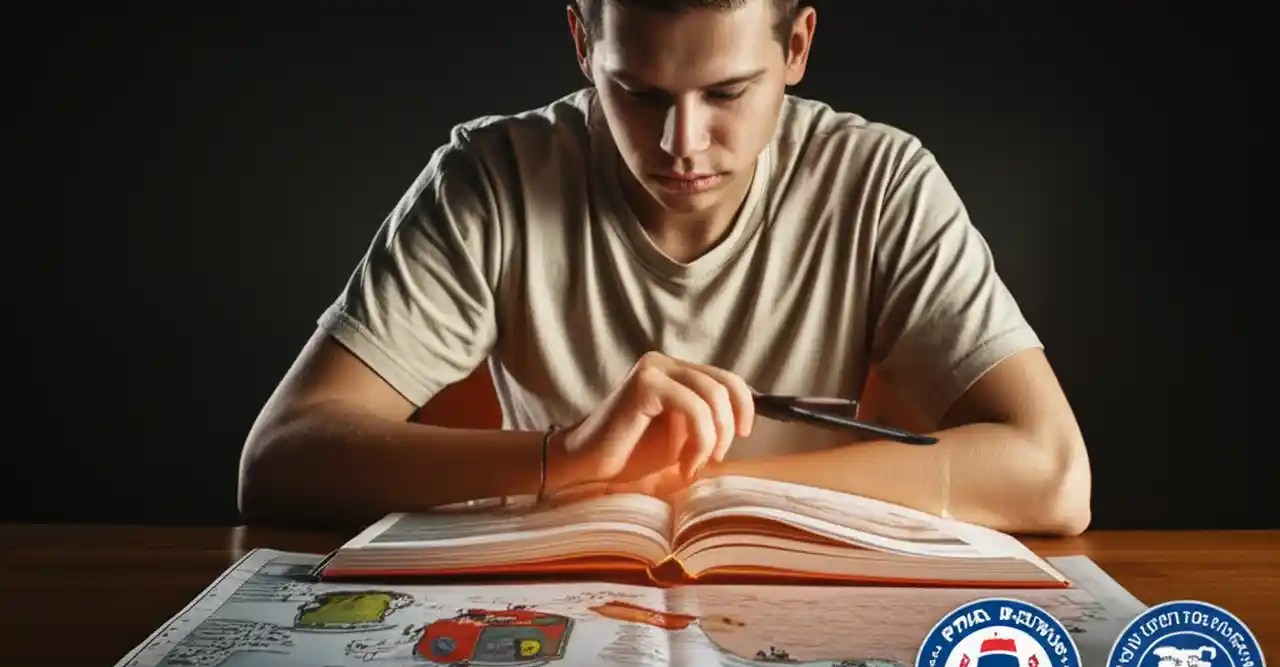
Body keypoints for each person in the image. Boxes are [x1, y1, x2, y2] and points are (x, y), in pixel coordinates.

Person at [237, 0, 1091, 535]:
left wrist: (704, 482)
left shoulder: (880, 183)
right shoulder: (492, 181)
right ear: (581, 39)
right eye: (638, 94)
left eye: (726, 93)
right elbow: (279, 460)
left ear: (797, 46)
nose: (682, 146)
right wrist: (562, 455)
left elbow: (1054, 475)